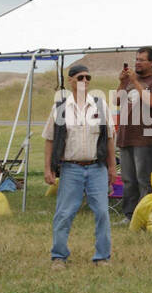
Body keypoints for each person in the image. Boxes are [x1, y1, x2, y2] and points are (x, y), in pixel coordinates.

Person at [43, 63, 114, 268]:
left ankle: (102, 256)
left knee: (102, 212)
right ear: (70, 80)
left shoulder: (100, 106)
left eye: (88, 78)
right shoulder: (60, 108)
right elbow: (49, 139)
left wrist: (111, 167)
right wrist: (48, 169)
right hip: (70, 168)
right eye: (81, 77)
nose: (85, 81)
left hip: (96, 167)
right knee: (64, 213)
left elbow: (109, 138)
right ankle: (59, 255)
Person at [116, 47, 152, 220]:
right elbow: (118, 100)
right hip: (126, 136)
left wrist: (135, 82)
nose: (137, 62)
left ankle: (146, 215)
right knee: (128, 179)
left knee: (144, 179)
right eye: (136, 59)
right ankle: (129, 215)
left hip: (145, 138)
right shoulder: (131, 80)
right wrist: (123, 82)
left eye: (141, 60)